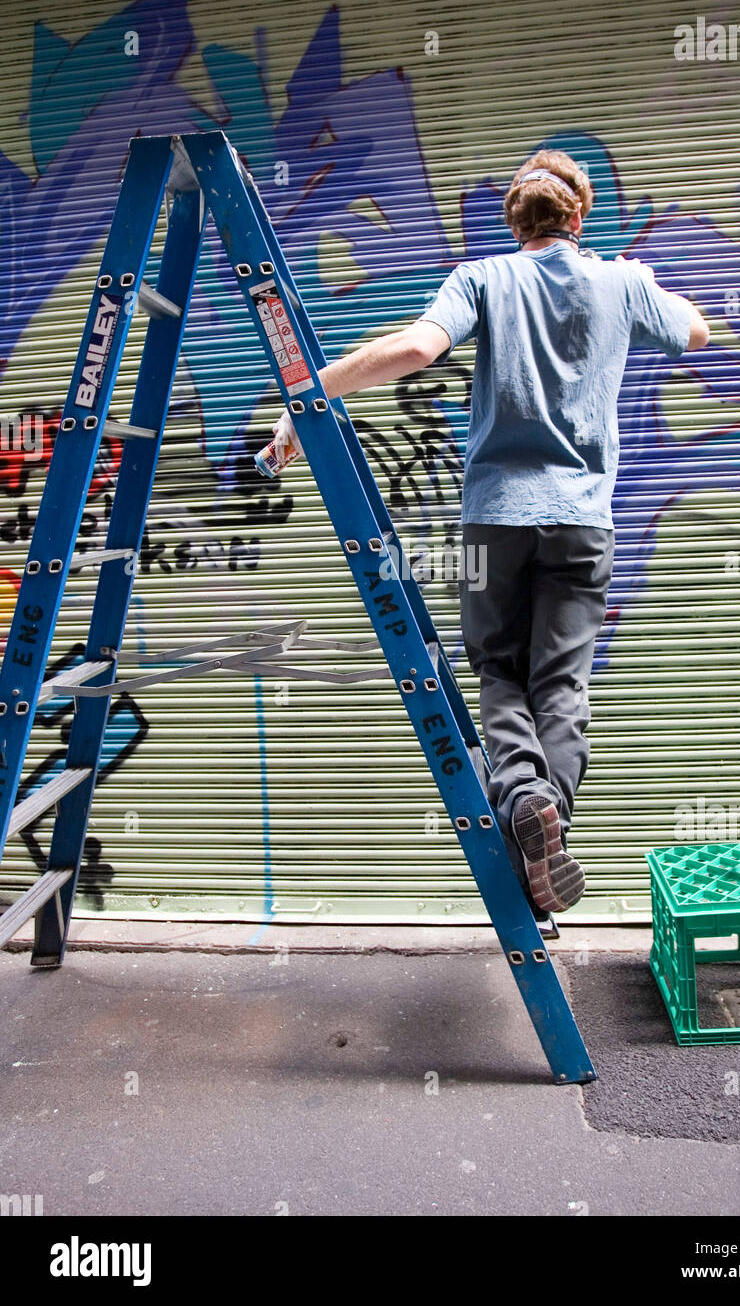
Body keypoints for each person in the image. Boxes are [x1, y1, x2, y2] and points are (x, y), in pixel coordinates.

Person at [273, 148, 710, 915]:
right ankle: (548, 827)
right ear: (579, 217)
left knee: (500, 674)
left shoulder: (482, 277)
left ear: (516, 222)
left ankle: (522, 803)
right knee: (562, 686)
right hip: (583, 523)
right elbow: (698, 333)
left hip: (492, 523)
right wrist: (643, 282)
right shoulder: (624, 281)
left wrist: (305, 393)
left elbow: (412, 350)